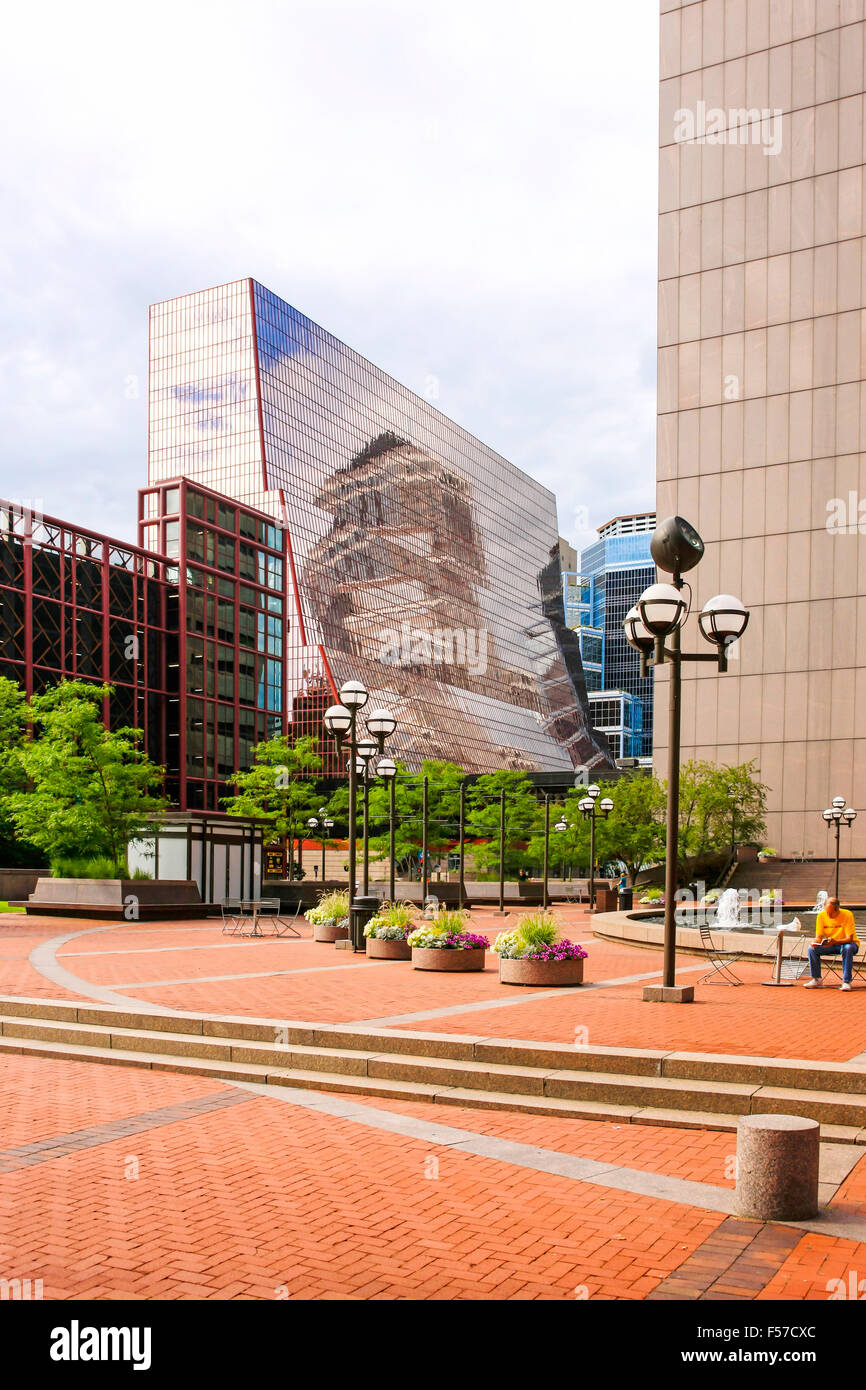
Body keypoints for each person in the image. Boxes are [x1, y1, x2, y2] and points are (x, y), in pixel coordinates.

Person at [805, 897, 859, 990]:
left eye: (830, 912)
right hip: (831, 944)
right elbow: (819, 936)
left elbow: (849, 939)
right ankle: (816, 979)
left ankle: (846, 982)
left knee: (848, 948)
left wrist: (836, 941)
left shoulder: (847, 914)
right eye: (827, 911)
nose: (828, 915)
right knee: (812, 949)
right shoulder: (821, 916)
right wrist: (816, 942)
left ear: (837, 909)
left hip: (848, 943)